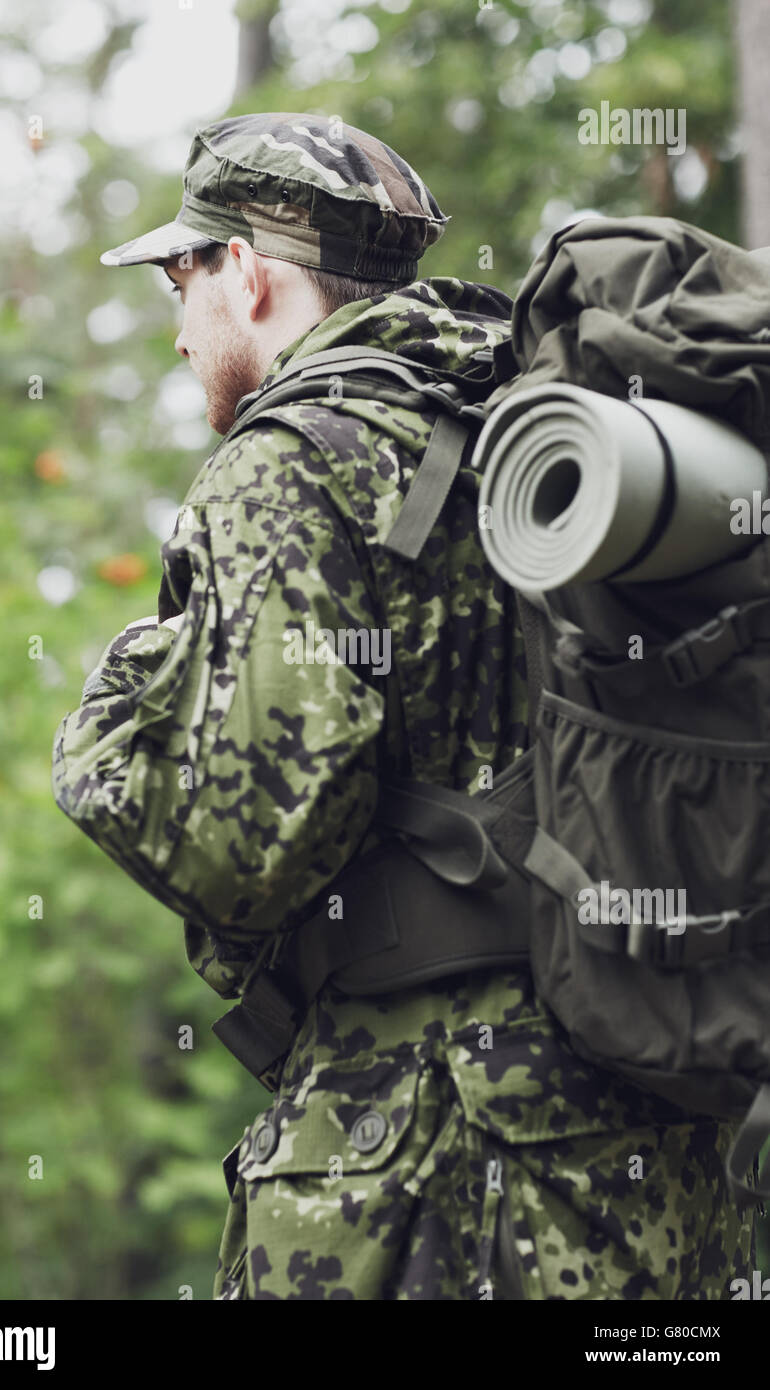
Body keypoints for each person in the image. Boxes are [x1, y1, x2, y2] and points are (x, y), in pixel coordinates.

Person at [52, 112, 753, 1300]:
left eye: (184, 275)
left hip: (420, 1156)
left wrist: (102, 730)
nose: (177, 329)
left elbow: (251, 847)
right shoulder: (531, 416)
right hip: (645, 1134)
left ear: (254, 276)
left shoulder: (287, 461)